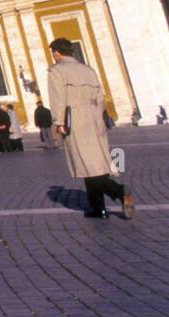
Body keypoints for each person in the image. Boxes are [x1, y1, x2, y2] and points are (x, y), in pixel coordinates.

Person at [48, 37, 132, 219]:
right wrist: (97, 116)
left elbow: (57, 98)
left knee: (85, 162)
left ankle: (119, 191)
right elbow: (100, 96)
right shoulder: (88, 70)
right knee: (93, 164)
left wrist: (59, 122)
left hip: (74, 119)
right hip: (94, 118)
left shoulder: (57, 70)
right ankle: (98, 208)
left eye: (53, 53)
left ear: (57, 52)